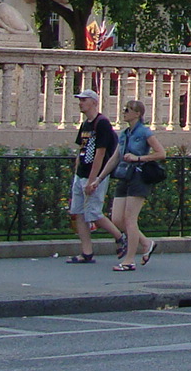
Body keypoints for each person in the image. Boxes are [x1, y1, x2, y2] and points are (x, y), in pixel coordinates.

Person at [109, 99, 166, 271]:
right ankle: (146, 243)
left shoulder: (144, 132)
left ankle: (129, 260)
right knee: (117, 218)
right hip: (124, 174)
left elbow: (161, 153)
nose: (124, 111)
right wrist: (99, 178)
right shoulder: (125, 133)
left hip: (139, 177)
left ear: (137, 114)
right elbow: (115, 157)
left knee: (130, 219)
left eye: (128, 109)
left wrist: (139, 158)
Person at [67, 89, 121, 263]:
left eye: (84, 100)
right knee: (79, 213)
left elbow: (100, 153)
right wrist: (77, 172)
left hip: (95, 175)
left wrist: (93, 179)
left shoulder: (102, 123)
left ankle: (120, 237)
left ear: (94, 102)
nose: (80, 103)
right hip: (81, 173)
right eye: (80, 100)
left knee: (93, 212)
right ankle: (87, 252)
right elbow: (81, 149)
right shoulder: (85, 124)